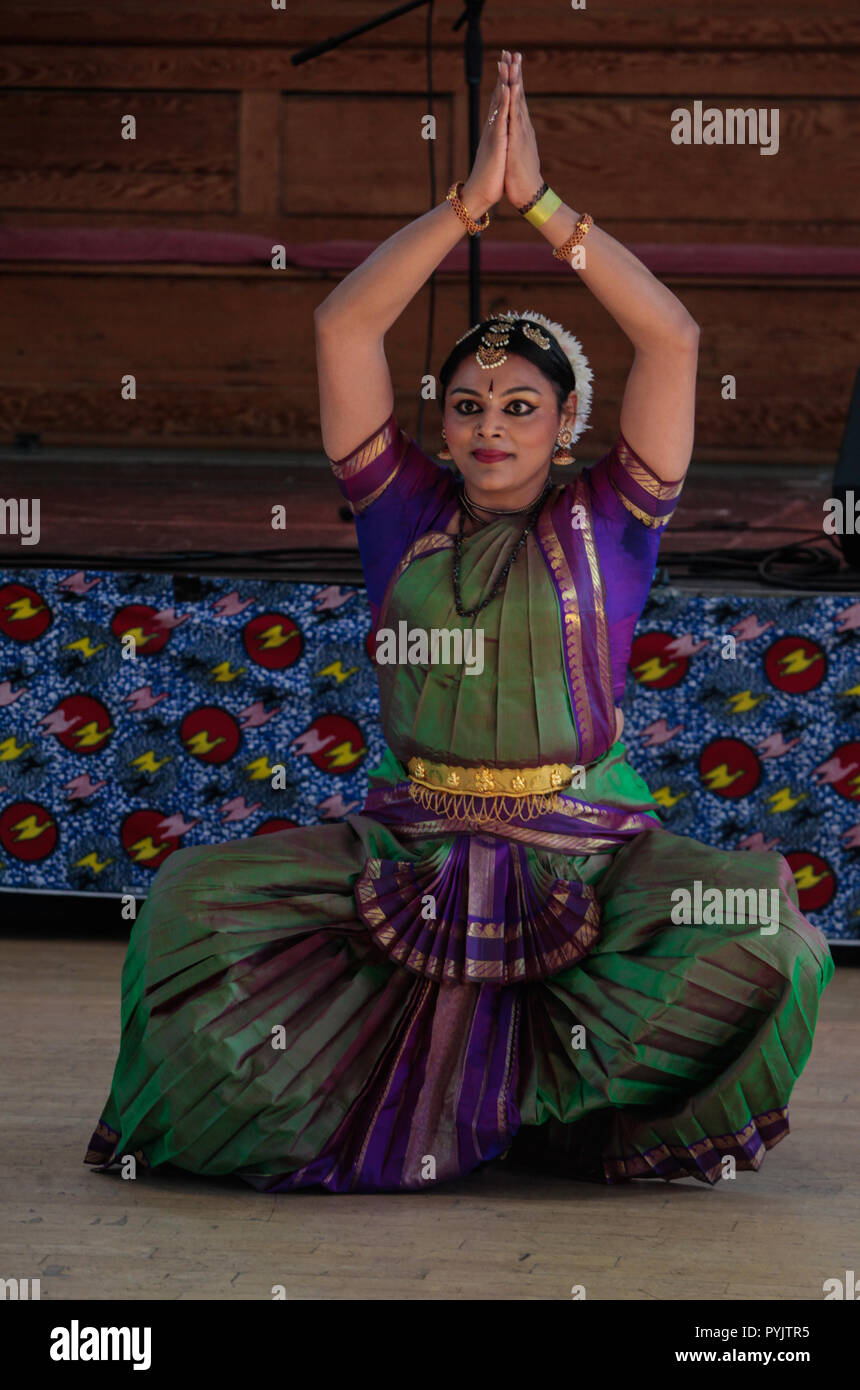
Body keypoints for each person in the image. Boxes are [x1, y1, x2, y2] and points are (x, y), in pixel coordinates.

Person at [85, 50, 832, 1193]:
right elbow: (343, 326)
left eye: (520, 406)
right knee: (187, 904)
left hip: (585, 846)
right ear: (441, 427)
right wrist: (462, 206)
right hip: (413, 843)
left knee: (763, 931)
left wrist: (541, 207)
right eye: (469, 405)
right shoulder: (401, 511)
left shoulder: (611, 520)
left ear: (564, 424)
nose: (491, 425)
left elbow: (671, 338)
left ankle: (574, 1117)